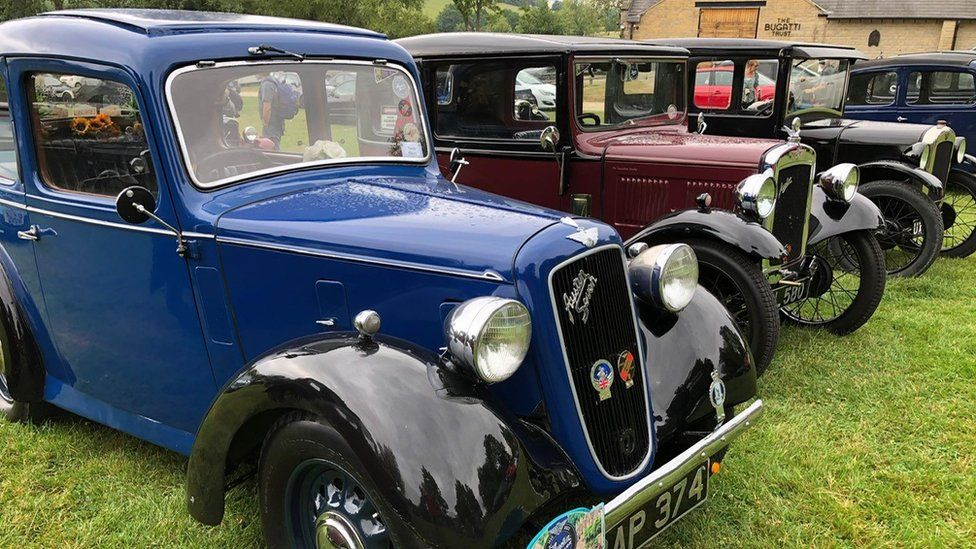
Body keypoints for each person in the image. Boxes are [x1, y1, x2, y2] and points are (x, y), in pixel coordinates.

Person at [258, 72, 285, 149]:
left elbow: (267, 107)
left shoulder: (267, 84)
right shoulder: (273, 81)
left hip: (271, 124)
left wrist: (265, 124)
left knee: (272, 149)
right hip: (276, 123)